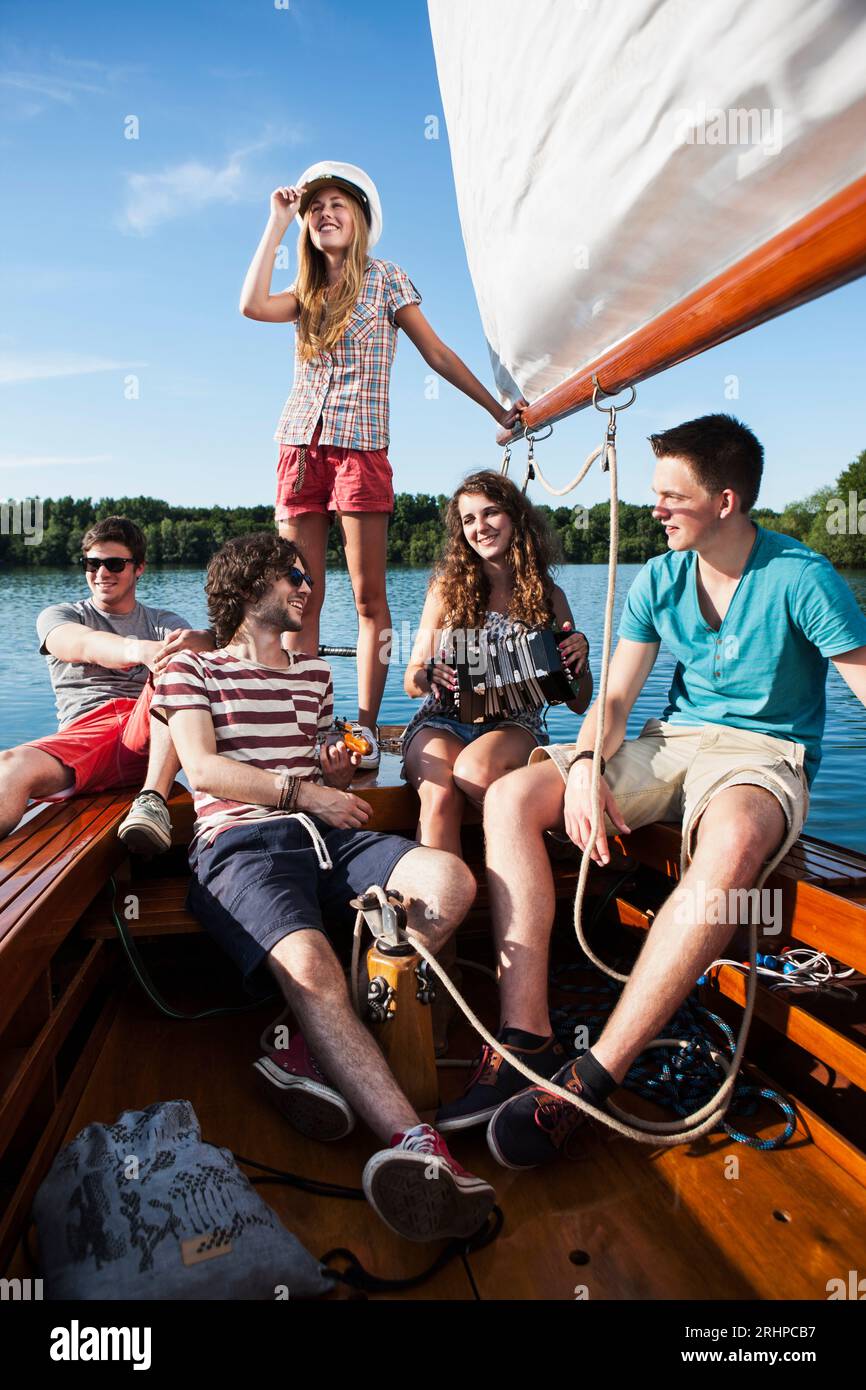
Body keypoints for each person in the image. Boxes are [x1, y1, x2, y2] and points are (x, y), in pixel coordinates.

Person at [436, 413, 866, 1154]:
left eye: (671, 495)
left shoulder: (803, 578)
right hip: (671, 742)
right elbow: (611, 704)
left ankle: (593, 1078)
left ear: (725, 502)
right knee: (510, 796)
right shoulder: (660, 579)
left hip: (762, 755)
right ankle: (525, 1040)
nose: (654, 507)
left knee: (730, 843)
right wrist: (582, 770)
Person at [151, 531, 496, 1242]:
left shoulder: (314, 677)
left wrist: (336, 769)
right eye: (291, 577)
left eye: (309, 577)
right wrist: (308, 792)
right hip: (240, 845)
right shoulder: (194, 672)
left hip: (328, 841)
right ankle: (416, 1144)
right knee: (309, 969)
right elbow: (205, 771)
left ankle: (312, 1039)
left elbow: (323, 769)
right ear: (248, 592)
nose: (308, 587)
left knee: (450, 880)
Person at [239, 161, 526, 769]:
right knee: (299, 596)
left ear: (362, 220)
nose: (326, 214)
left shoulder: (388, 280)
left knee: (370, 599)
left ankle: (363, 729)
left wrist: (497, 410)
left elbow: (439, 353)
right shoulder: (307, 292)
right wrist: (275, 223)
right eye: (315, 208)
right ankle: (308, 726)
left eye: (339, 204)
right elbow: (250, 305)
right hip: (299, 448)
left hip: (362, 450)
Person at [402, 471, 593, 853]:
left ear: (516, 519)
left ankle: (555, 837)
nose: (481, 527)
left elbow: (580, 702)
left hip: (514, 724)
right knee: (439, 795)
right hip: (442, 719)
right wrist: (427, 673)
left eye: (491, 513)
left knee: (474, 770)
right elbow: (411, 682)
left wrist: (579, 661)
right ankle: (440, 902)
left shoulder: (548, 596)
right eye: (469, 519)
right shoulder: (445, 590)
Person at [0, 517, 212, 847]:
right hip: (85, 738)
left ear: (138, 568)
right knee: (9, 767)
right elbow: (83, 644)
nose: (102, 574)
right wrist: (140, 650)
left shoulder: (160, 621)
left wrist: (207, 639)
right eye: (92, 563)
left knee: (179, 664)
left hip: (147, 731)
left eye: (114, 564)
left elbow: (201, 652)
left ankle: (152, 799)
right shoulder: (60, 616)